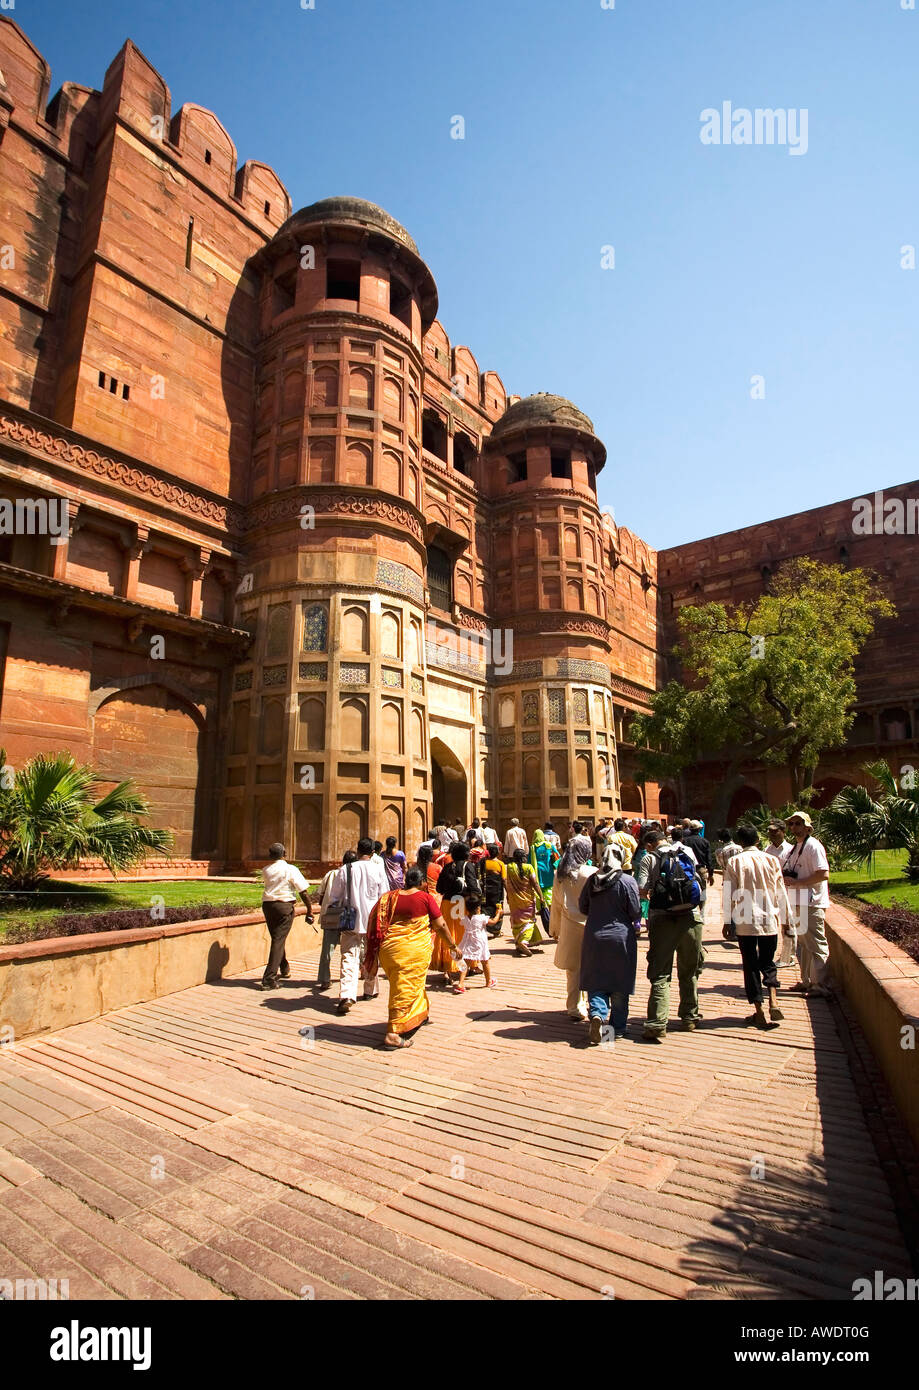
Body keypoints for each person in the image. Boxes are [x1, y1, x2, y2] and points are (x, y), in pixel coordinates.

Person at [363, 867, 461, 1049]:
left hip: (389, 951)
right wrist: (453, 946)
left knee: (411, 984)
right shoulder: (425, 898)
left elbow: (374, 920)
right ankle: (393, 1032)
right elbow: (441, 925)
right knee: (404, 988)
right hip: (411, 953)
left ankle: (420, 1014)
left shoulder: (388, 897)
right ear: (423, 882)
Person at [636, 828, 704, 1040]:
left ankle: (657, 1023)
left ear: (649, 844)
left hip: (663, 919)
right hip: (691, 918)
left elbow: (641, 888)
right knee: (690, 970)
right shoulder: (686, 852)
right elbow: (699, 885)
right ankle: (689, 1017)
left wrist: (654, 893)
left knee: (661, 972)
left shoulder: (649, 858)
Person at [722, 824, 792, 1028]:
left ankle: (759, 1010)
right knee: (768, 961)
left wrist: (728, 921)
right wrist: (787, 920)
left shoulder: (734, 862)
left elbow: (729, 893)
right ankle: (773, 999)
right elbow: (781, 891)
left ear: (740, 842)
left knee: (750, 964)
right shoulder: (771, 860)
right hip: (769, 918)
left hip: (745, 921)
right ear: (758, 841)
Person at [578, 844, 642, 1044]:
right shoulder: (627, 881)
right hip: (620, 938)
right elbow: (635, 910)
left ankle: (597, 1014)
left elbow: (583, 907)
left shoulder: (592, 881)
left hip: (594, 937)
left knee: (597, 980)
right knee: (620, 982)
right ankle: (616, 1029)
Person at [331, 836, 388, 1014]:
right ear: (372, 852)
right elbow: (384, 896)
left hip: (350, 920)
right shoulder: (378, 869)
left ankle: (347, 994)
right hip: (372, 921)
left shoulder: (346, 869)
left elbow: (335, 897)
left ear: (358, 851)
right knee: (370, 955)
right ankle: (370, 989)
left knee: (349, 956)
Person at [782, 811, 832, 998]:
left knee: (817, 944)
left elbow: (823, 874)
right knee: (803, 944)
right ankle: (807, 981)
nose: (794, 827)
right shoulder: (796, 848)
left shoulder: (813, 846)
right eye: (791, 824)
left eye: (797, 824)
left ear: (807, 826)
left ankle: (821, 985)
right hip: (797, 901)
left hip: (811, 903)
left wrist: (798, 883)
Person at [549, 833, 596, 1020]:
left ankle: (574, 1007)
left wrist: (555, 929)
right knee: (593, 966)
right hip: (592, 924)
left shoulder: (560, 874)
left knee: (573, 969)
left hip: (569, 925)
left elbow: (557, 903)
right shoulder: (592, 873)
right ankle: (595, 1005)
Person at [259, 843, 315, 990]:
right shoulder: (290, 869)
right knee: (278, 940)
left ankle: (284, 967)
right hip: (284, 907)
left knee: (277, 938)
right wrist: (310, 910)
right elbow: (303, 891)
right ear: (285, 853)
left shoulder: (266, 870)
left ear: (270, 855)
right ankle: (268, 979)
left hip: (268, 906)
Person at [432, 841, 480, 982]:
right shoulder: (468, 866)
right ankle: (467, 966)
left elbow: (439, 888)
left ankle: (447, 969)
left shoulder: (446, 867)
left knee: (448, 935)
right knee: (464, 935)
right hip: (463, 905)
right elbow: (473, 887)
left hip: (447, 904)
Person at [316, 849, 354, 990]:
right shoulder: (354, 876)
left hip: (331, 915)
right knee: (352, 948)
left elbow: (321, 896)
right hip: (349, 916)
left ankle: (325, 979)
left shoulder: (331, 874)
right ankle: (353, 976)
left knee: (327, 949)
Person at [452, 892, 496, 993]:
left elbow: (461, 922)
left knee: (465, 963)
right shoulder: (481, 918)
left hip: (468, 942)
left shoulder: (465, 918)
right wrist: (498, 913)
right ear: (478, 908)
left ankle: (460, 983)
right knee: (485, 961)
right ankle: (488, 981)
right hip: (480, 942)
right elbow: (493, 922)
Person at [764, 820, 795, 966]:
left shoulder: (791, 850)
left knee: (789, 924)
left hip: (789, 891)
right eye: (770, 831)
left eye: (775, 831)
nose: (772, 834)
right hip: (772, 893)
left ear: (783, 832)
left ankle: (788, 957)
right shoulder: (767, 851)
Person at [506, 847, 545, 955]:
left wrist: (508, 896)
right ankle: (524, 941)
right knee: (529, 921)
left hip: (514, 900)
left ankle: (519, 943)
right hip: (527, 900)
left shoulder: (509, 867)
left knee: (517, 921)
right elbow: (535, 883)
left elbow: (507, 883)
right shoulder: (529, 867)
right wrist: (541, 896)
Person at [482, 842, 507, 936]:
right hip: (497, 892)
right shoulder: (500, 864)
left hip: (485, 891)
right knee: (498, 908)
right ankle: (496, 930)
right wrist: (508, 892)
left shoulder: (483, 862)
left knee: (485, 908)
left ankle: (486, 927)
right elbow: (504, 879)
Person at [529, 827, 560, 905]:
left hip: (537, 871)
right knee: (549, 888)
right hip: (548, 870)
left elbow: (529, 861)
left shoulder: (533, 848)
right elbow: (558, 857)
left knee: (538, 888)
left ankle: (541, 907)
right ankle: (549, 904)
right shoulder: (549, 846)